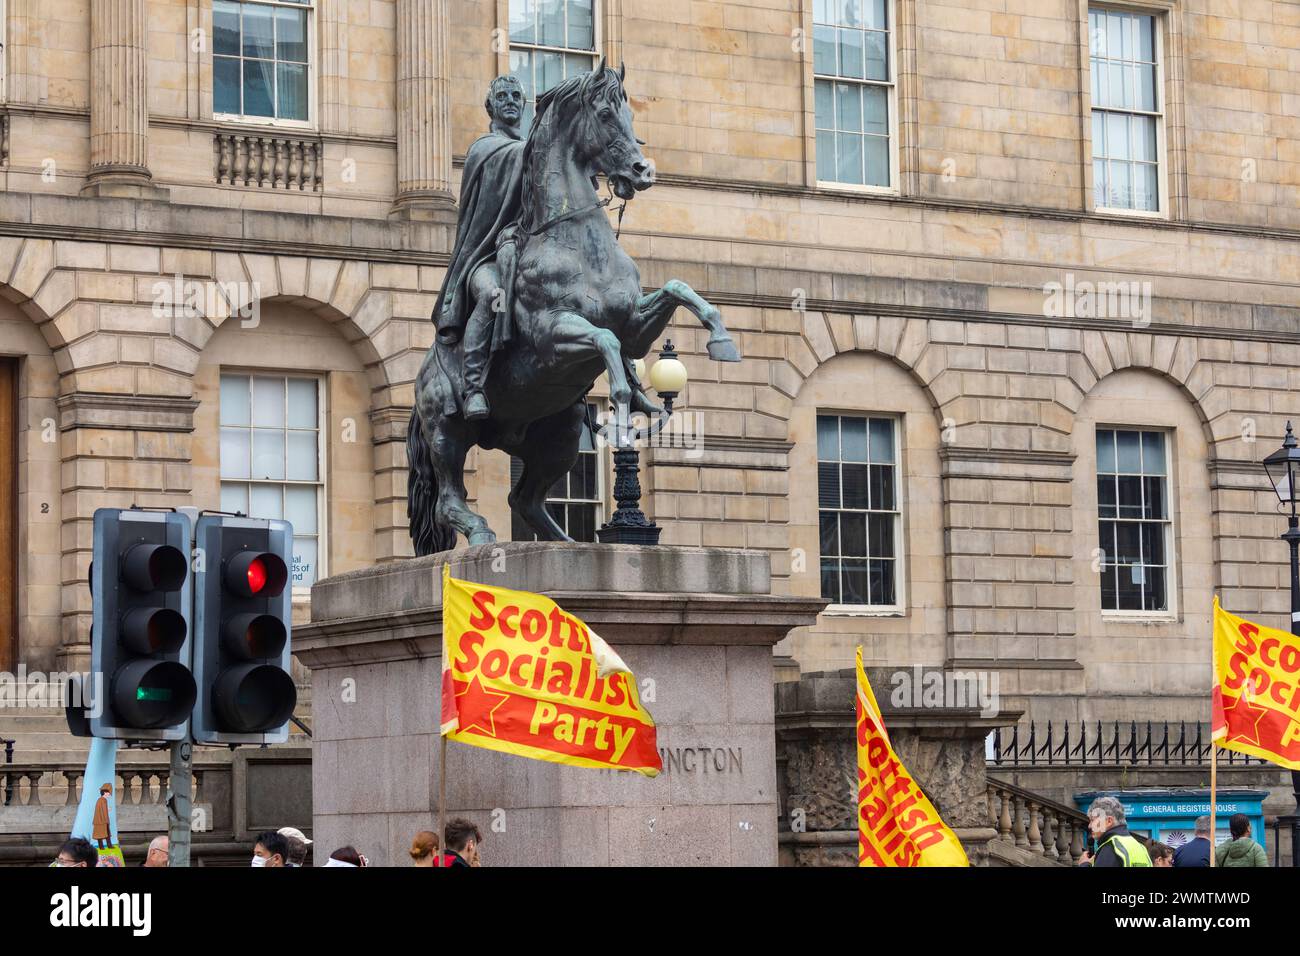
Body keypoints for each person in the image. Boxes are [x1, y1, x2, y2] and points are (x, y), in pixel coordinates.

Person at [1078, 795, 1152, 867]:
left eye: (1092, 820)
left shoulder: (1111, 848)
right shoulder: (1141, 848)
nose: (1089, 826)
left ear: (1109, 821)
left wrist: (1084, 864)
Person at [92, 782, 113, 849]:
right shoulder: (103, 800)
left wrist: (107, 809)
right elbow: (103, 811)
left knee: (102, 834)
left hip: (99, 820)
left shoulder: (100, 800)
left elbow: (101, 809)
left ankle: (105, 846)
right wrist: (107, 820)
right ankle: (107, 846)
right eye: (108, 793)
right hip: (102, 821)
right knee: (104, 834)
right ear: (105, 792)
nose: (109, 795)